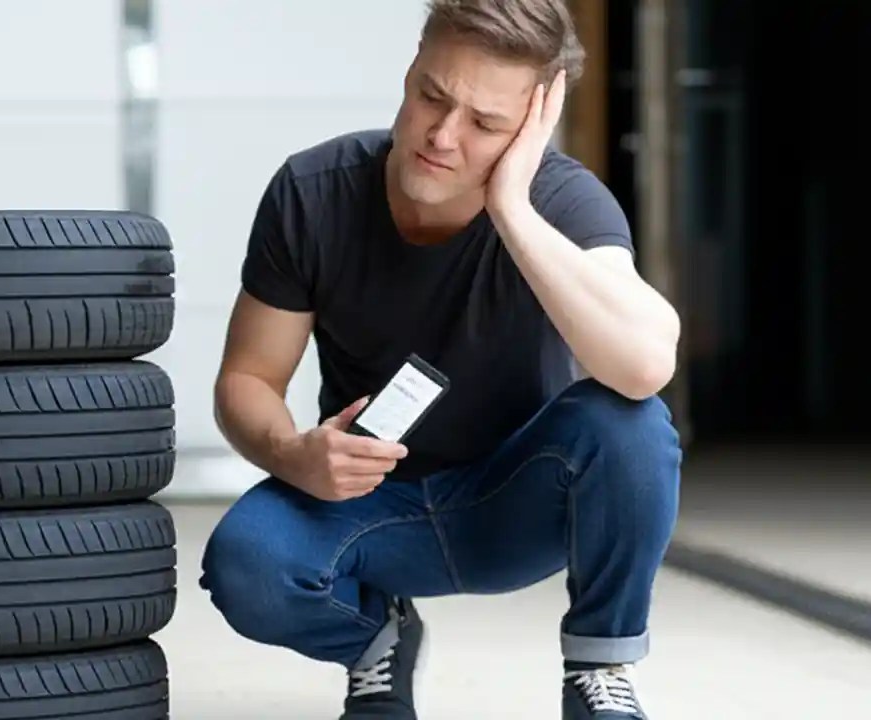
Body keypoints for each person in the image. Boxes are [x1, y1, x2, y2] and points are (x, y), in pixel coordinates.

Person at [198, 1, 683, 718]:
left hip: (512, 503)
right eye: (432, 95)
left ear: (530, 127)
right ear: (410, 69)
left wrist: (513, 207)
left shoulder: (562, 203)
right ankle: (375, 642)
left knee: (630, 427)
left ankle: (597, 668)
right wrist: (294, 452)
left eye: (486, 124)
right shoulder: (313, 193)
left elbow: (646, 365)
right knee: (247, 563)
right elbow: (247, 378)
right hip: (365, 506)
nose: (442, 136)